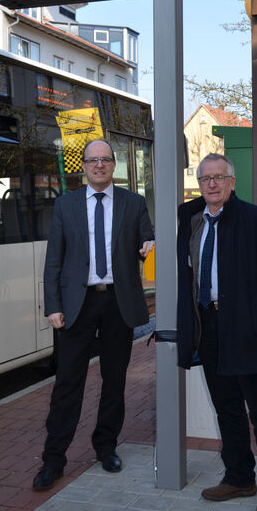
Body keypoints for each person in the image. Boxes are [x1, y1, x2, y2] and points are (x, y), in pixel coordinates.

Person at [33, 138, 154, 490]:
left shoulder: (133, 203)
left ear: (114, 165)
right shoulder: (66, 205)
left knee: (114, 381)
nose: (99, 165)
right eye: (92, 160)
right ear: (83, 166)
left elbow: (147, 237)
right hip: (77, 304)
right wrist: (52, 305)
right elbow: (54, 258)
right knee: (68, 383)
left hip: (118, 301)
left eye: (105, 159)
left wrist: (149, 244)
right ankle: (53, 460)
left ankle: (106, 447)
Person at [177, 153, 257, 511]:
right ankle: (239, 476)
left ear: (232, 181)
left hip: (247, 328)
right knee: (226, 407)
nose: (211, 184)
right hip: (208, 327)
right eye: (205, 178)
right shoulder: (191, 220)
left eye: (219, 177)